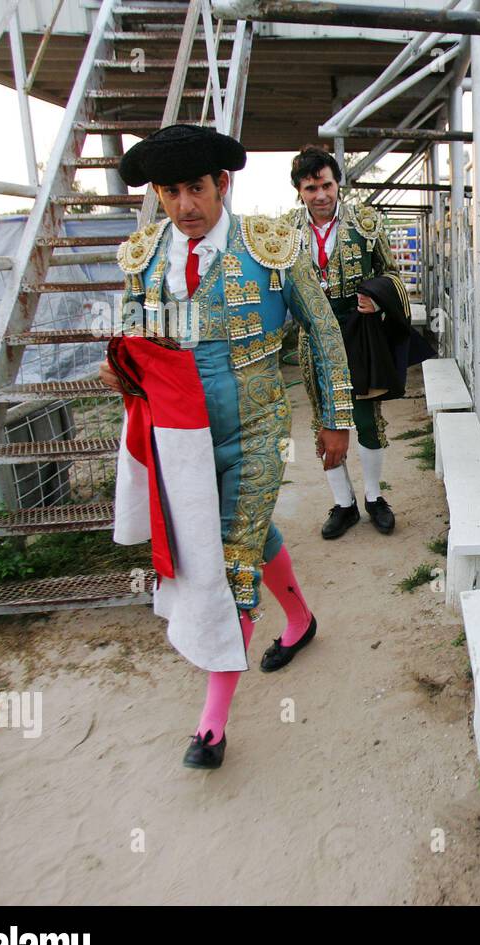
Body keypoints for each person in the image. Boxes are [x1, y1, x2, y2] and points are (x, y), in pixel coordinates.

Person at [100, 125, 356, 769]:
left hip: (255, 432)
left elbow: (322, 333)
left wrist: (336, 418)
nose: (184, 205)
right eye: (170, 191)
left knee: (228, 558)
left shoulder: (268, 246)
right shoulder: (144, 255)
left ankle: (211, 725)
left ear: (224, 185)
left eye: (195, 189)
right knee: (240, 536)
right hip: (178, 437)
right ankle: (299, 622)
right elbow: (134, 341)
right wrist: (120, 371)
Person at [287, 145, 407, 540]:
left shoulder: (366, 223)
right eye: (310, 188)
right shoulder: (285, 232)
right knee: (324, 420)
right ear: (299, 191)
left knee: (367, 418)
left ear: (338, 184)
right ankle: (344, 505)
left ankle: (374, 498)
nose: (320, 195)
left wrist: (375, 295)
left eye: (326, 185)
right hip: (313, 339)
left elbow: (391, 272)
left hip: (358, 332)